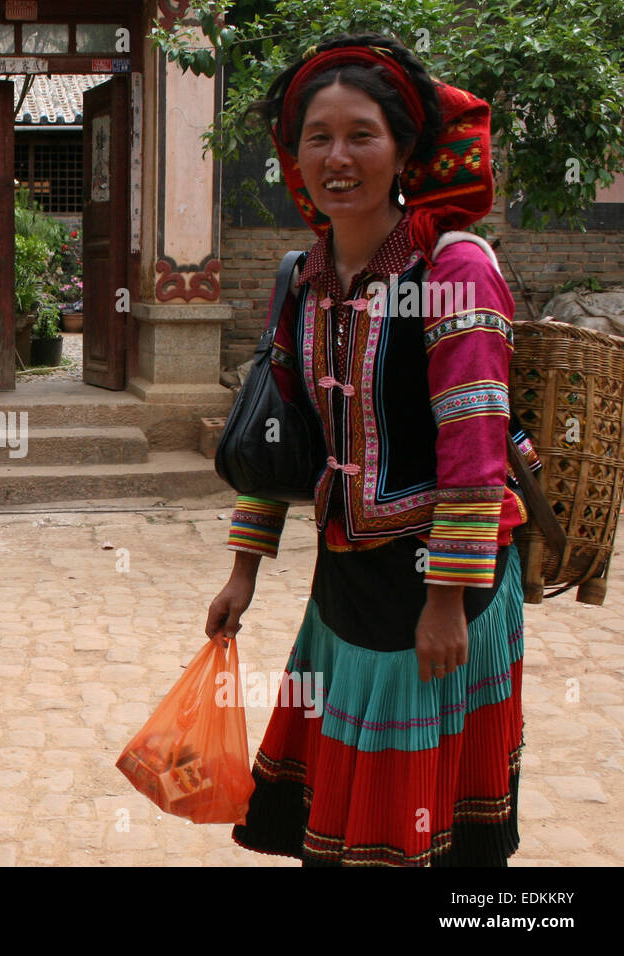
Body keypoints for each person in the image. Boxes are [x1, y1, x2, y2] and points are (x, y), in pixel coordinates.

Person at [205, 35, 527, 866]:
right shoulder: (301, 279)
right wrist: (244, 568)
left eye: (362, 135)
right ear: (293, 156)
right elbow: (280, 433)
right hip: (344, 577)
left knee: (421, 819)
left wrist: (448, 599)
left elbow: (475, 441)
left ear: (405, 151)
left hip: (442, 579)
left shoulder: (453, 267)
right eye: (318, 136)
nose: (337, 157)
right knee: (345, 811)